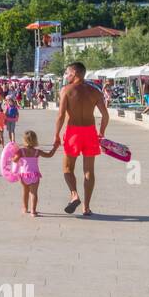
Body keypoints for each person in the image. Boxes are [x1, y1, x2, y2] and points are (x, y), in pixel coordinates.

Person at [54, 61, 109, 216]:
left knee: (67, 168)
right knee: (89, 171)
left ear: (75, 73)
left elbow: (60, 115)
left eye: (68, 73)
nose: (66, 76)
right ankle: (86, 207)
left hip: (73, 133)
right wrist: (102, 132)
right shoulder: (95, 91)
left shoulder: (66, 90)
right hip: (90, 132)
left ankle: (74, 195)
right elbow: (105, 115)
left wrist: (56, 135)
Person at [11, 129, 56, 216]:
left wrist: (12, 155)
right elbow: (49, 155)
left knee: (25, 192)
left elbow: (15, 160)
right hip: (34, 174)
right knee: (34, 193)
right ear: (35, 140)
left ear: (24, 140)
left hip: (24, 175)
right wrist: (55, 147)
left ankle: (25, 208)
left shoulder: (21, 151)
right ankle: (33, 211)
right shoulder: (37, 152)